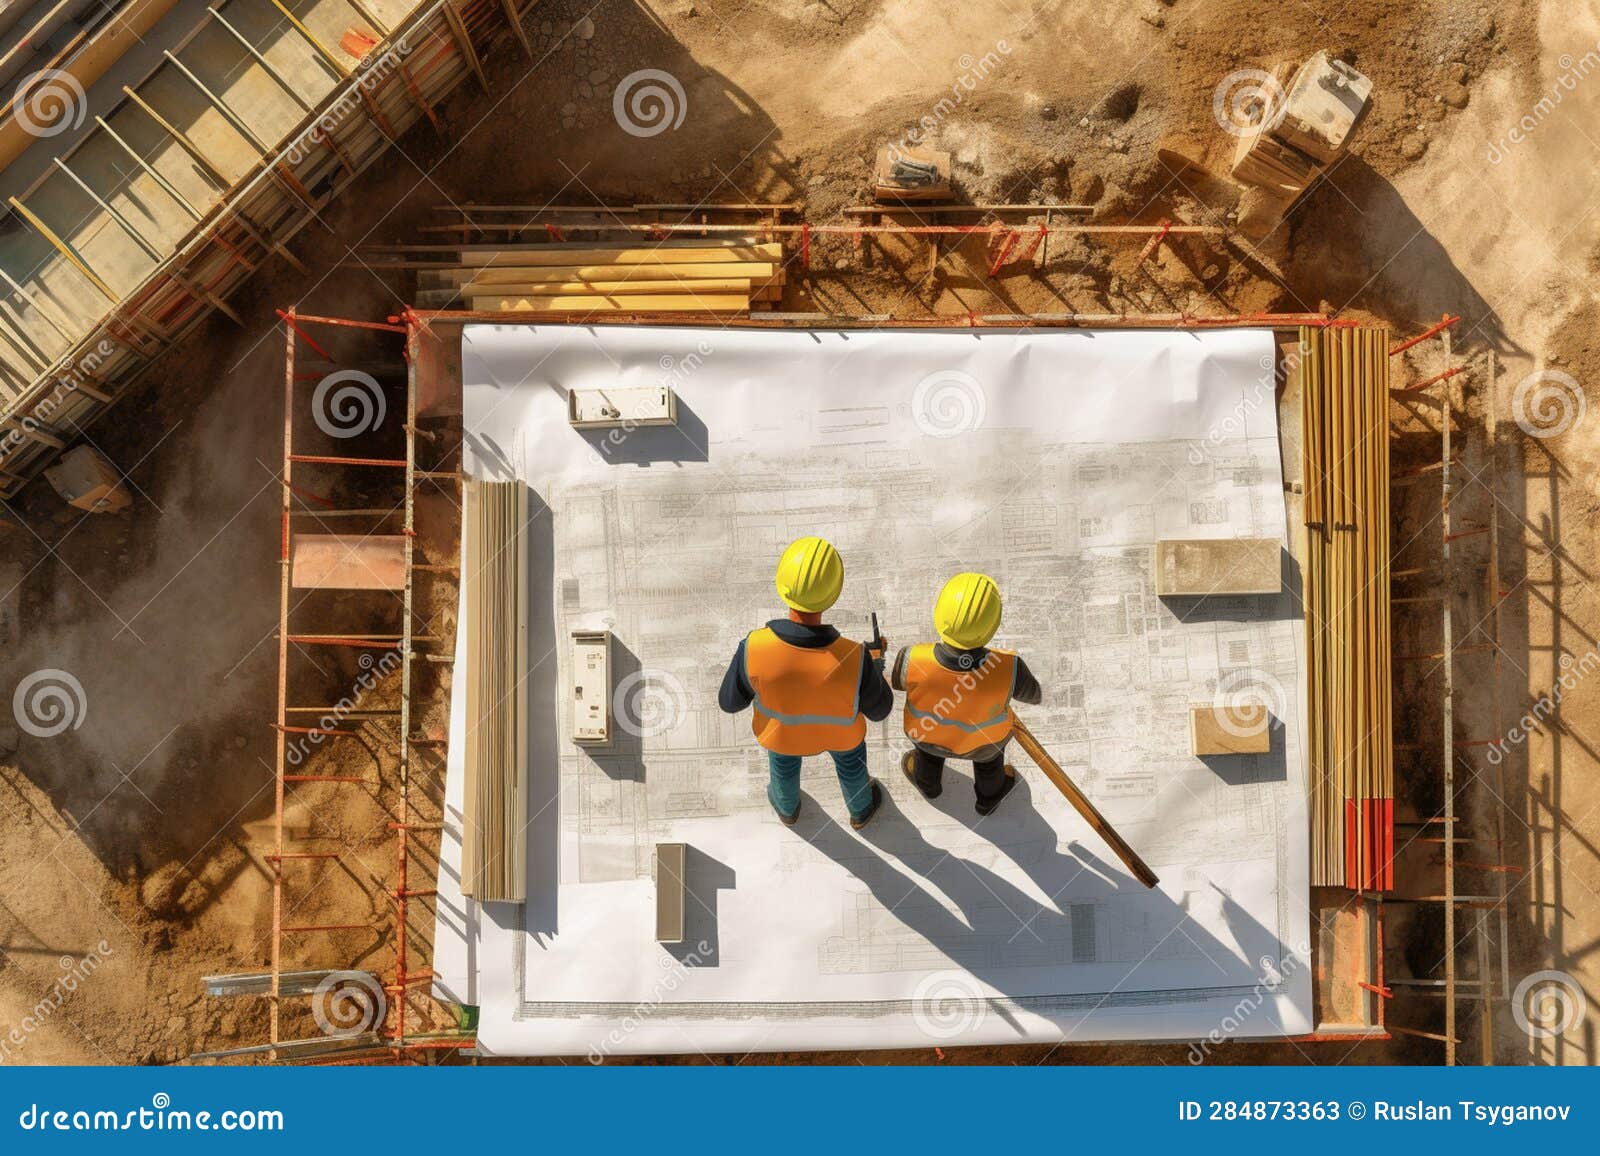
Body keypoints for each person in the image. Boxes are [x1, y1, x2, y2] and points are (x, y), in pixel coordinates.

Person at [718, 537, 892, 829]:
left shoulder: (754, 647)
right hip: (842, 737)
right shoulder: (855, 656)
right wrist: (873, 664)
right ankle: (861, 811)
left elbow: (730, 702)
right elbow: (879, 710)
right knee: (851, 767)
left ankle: (788, 810)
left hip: (784, 736)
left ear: (781, 584)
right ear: (833, 594)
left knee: (783, 768)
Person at [891, 572, 1042, 815]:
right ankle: (988, 801)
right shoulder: (1010, 666)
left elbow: (897, 683)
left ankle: (928, 786)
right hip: (985, 744)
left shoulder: (911, 657)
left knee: (927, 759)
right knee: (990, 768)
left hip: (927, 737)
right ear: (991, 627)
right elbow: (1033, 695)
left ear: (940, 616)